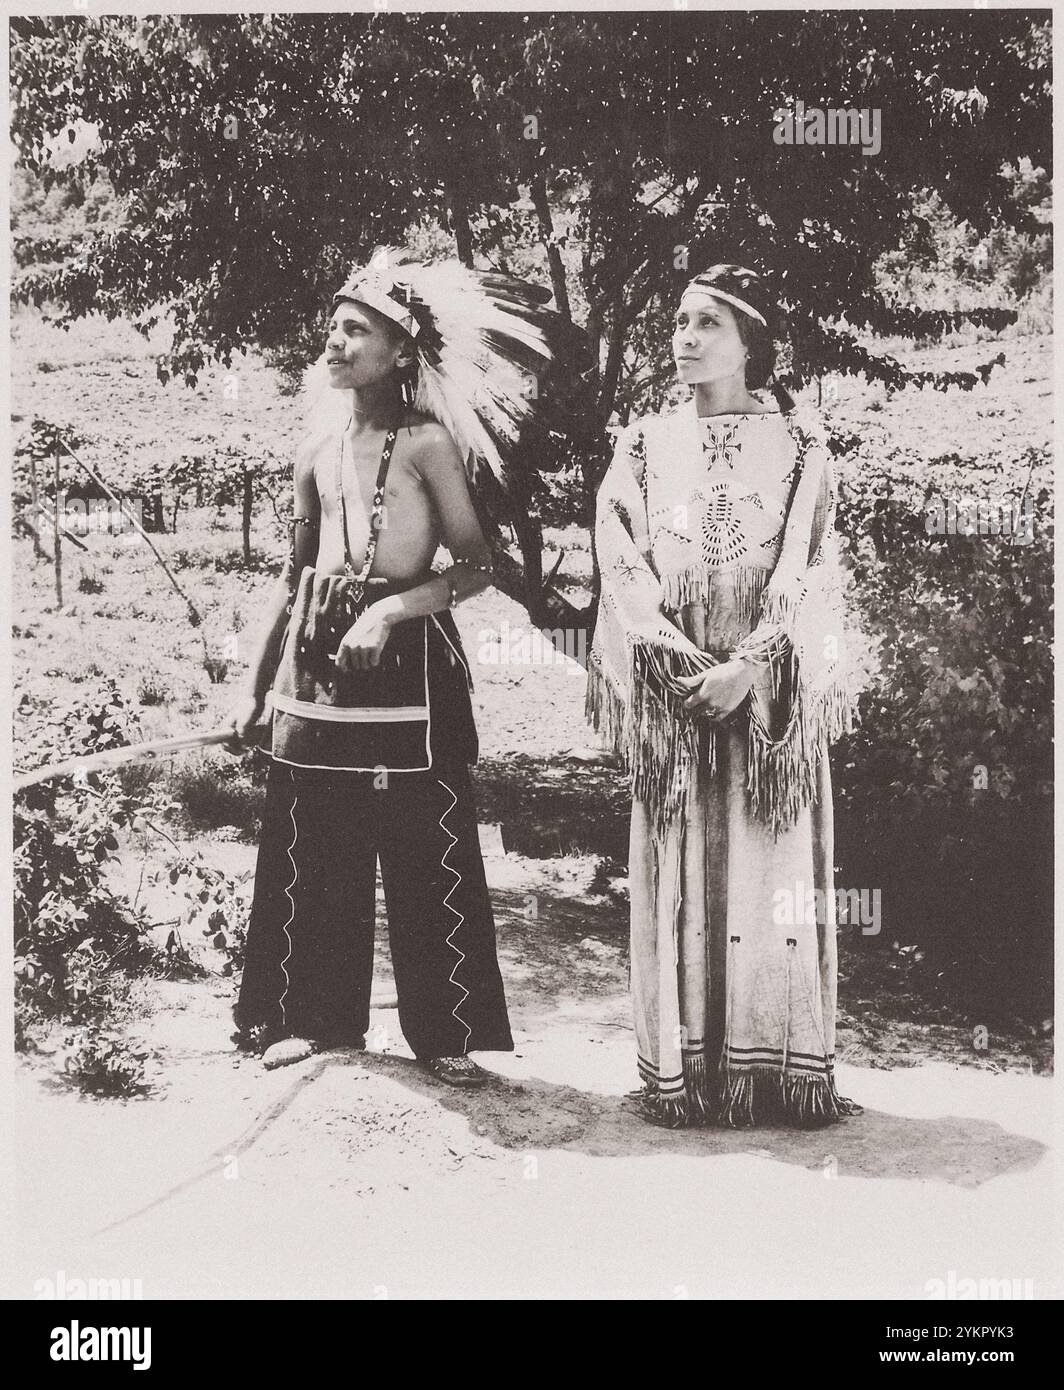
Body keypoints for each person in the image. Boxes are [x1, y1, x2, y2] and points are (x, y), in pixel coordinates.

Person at [224, 251, 567, 1086]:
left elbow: (477, 564)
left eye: (356, 329)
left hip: (413, 668)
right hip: (317, 669)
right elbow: (292, 573)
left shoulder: (426, 446)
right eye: (332, 328)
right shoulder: (315, 450)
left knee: (428, 843)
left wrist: (389, 608)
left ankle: (445, 1032)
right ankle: (309, 1016)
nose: (333, 342)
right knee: (314, 839)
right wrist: (252, 687)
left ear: (401, 351)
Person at [586, 263, 863, 1128]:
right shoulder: (642, 444)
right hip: (677, 697)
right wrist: (673, 660)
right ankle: (687, 1077)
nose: (685, 336)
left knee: (767, 878)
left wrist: (750, 664)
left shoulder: (802, 447)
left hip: (767, 701)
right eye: (679, 320)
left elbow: (815, 569)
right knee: (678, 876)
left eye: (708, 323)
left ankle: (778, 1074)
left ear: (752, 345)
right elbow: (618, 553)